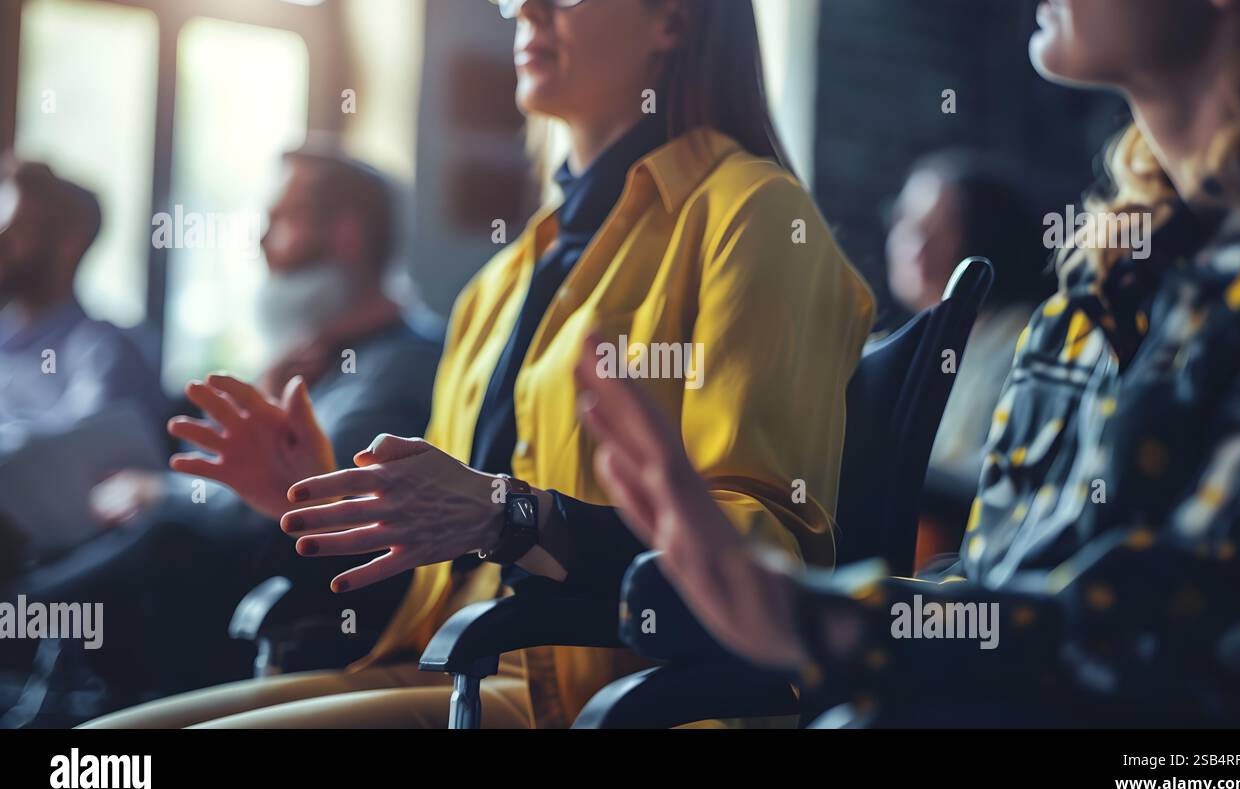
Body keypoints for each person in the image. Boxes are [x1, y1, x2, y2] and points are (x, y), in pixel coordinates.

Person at [83, 0, 874, 729]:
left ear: (670, 19)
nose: (525, 9)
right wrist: (323, 508)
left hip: (604, 698)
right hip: (440, 663)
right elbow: (455, 567)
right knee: (96, 753)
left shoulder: (756, 215)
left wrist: (511, 514)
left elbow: (771, 555)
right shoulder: (499, 283)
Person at [573, 0, 1240, 727]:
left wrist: (825, 620)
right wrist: (790, 603)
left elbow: (1201, 657)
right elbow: (996, 591)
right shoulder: (1092, 297)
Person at [4, 145, 442, 720]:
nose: (261, 241)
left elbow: (303, 503)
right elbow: (212, 464)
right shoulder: (311, 358)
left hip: (276, 614)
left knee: (167, 536)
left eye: (281, 220)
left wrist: (160, 492)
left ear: (346, 234)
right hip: (201, 600)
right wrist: (260, 393)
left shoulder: (399, 366)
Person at [883, 150, 1052, 565]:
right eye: (911, 225)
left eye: (946, 228)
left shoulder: (1027, 339)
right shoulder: (909, 347)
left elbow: (996, 478)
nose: (919, 245)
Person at [0, 158, 167, 461]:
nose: (1, 242)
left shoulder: (104, 353)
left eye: (17, 230)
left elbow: (69, 461)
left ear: (69, 245)